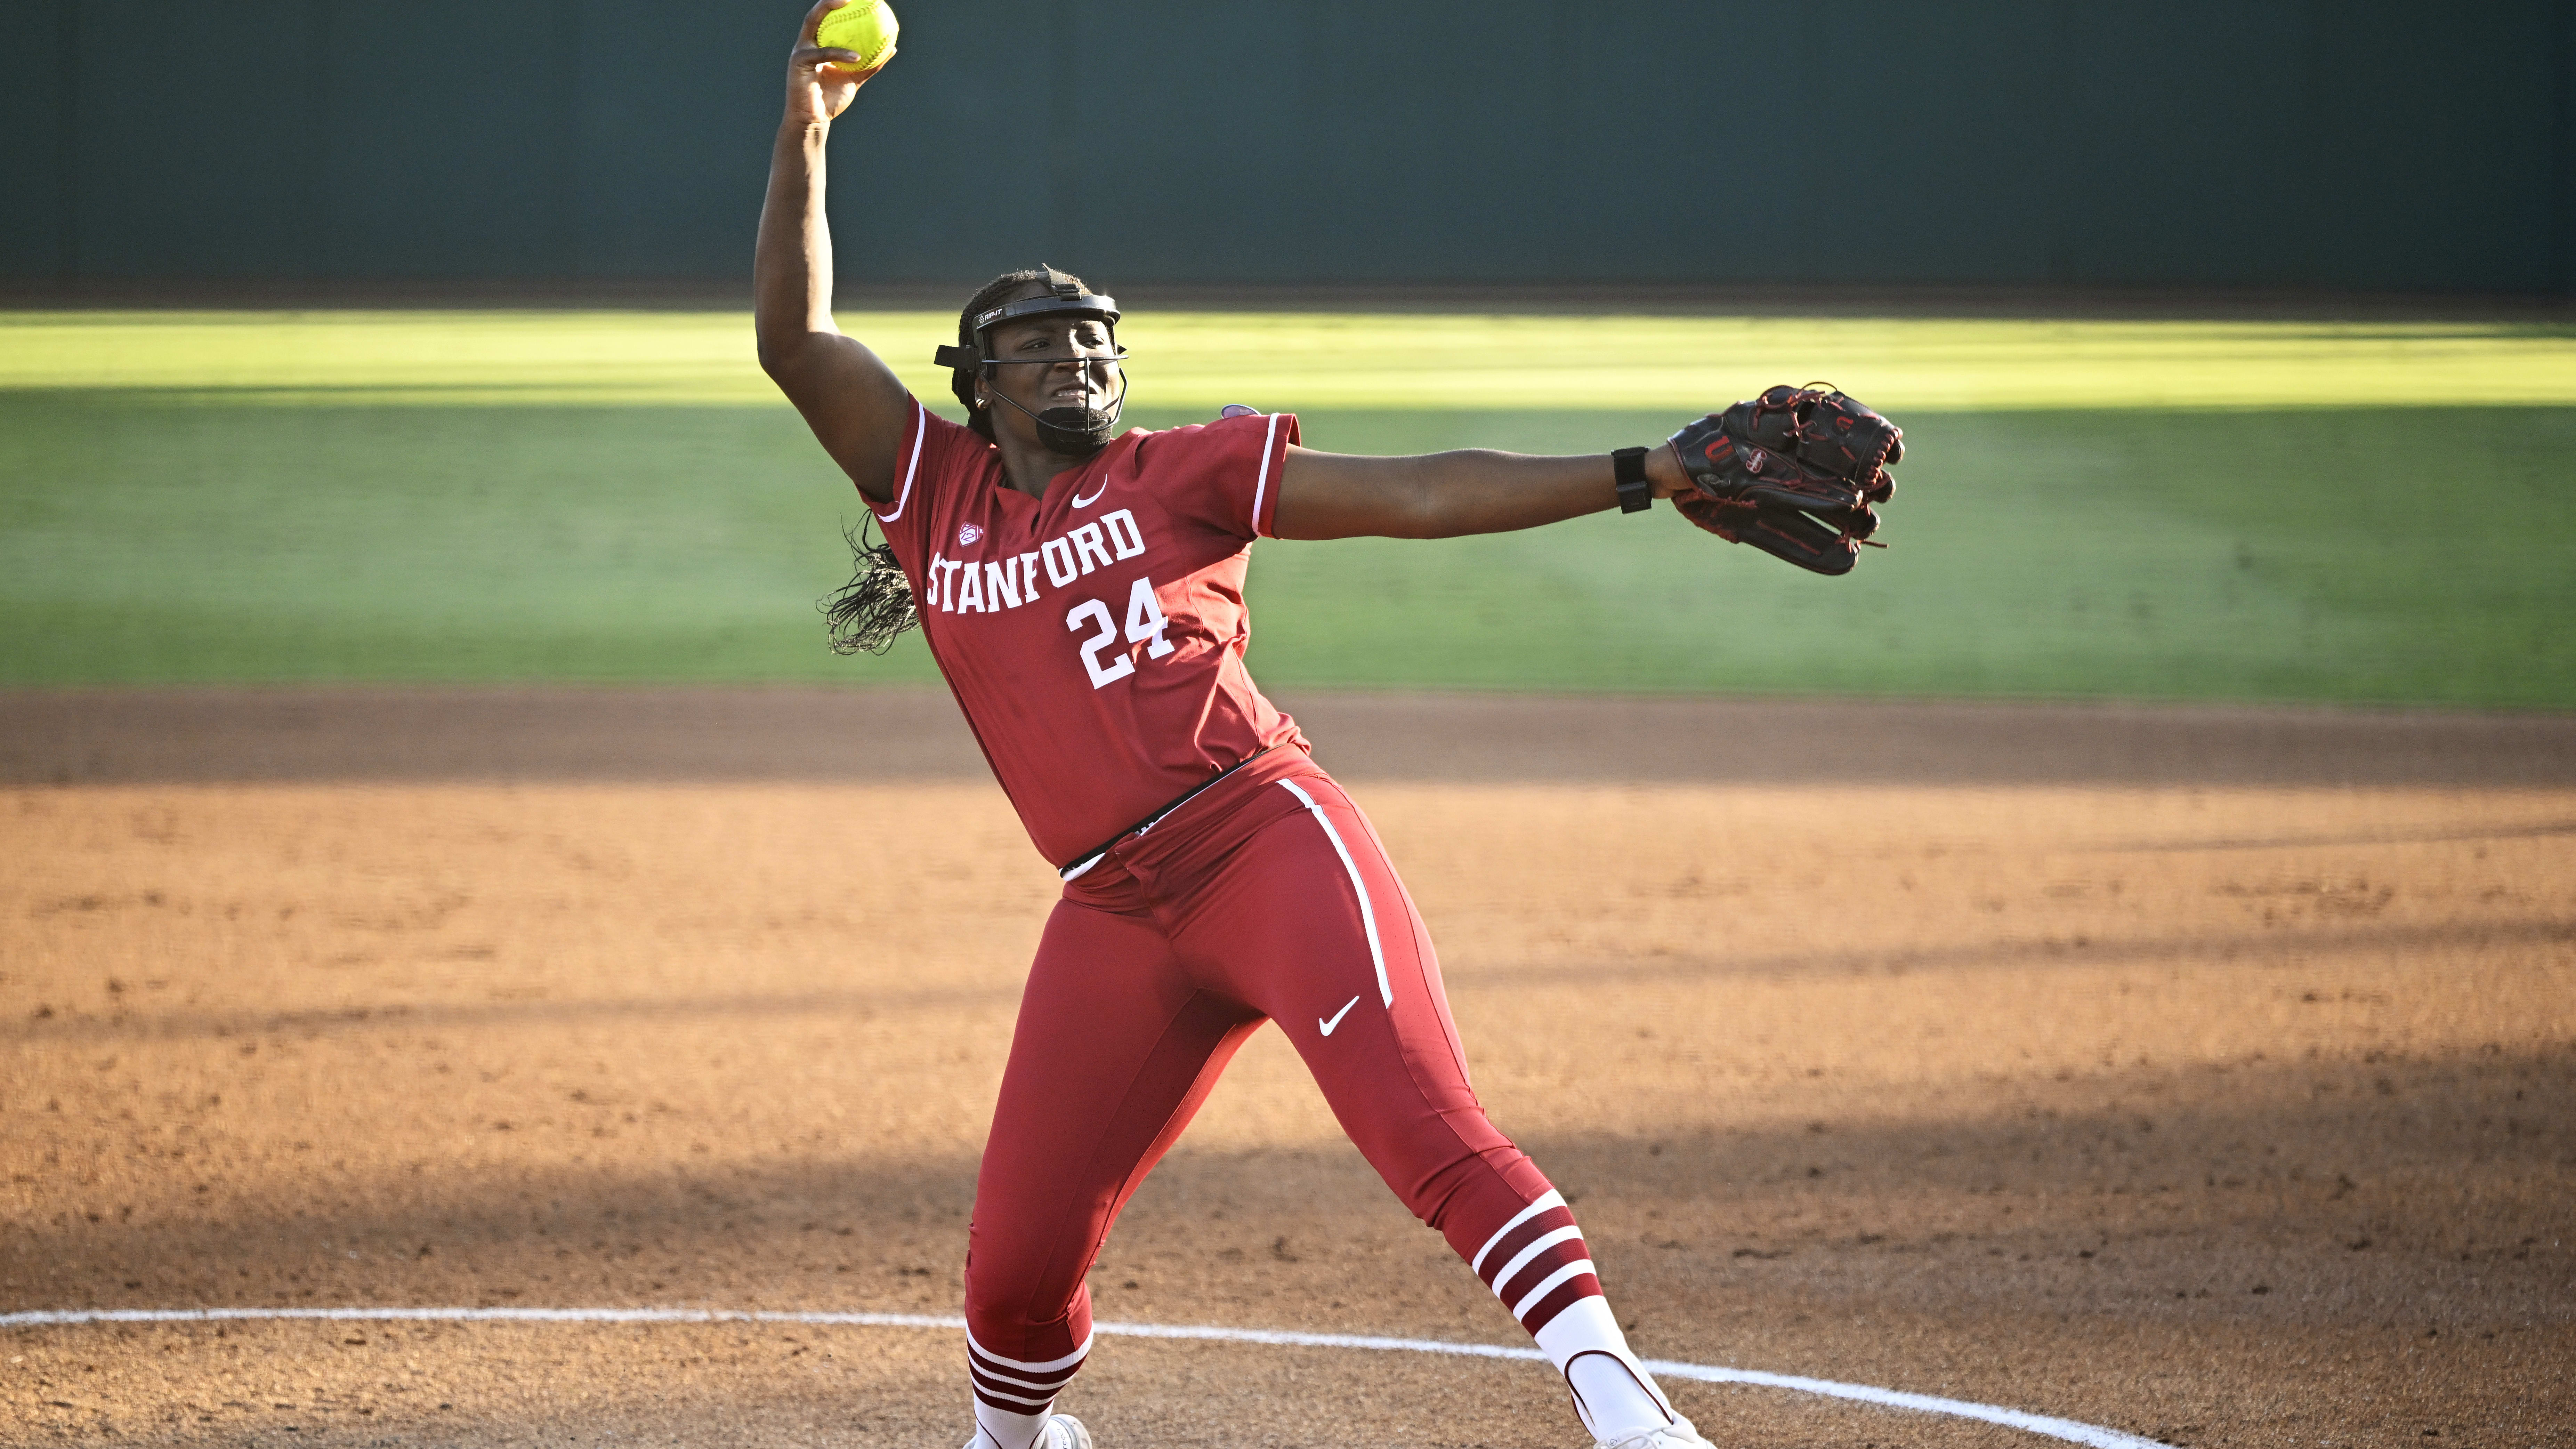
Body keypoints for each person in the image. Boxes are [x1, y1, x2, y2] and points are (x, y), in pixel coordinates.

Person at [754, 7, 1719, 1449]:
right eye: (1040, 346)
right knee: (1014, 1273)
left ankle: (1622, 1407)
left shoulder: (1181, 470)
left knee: (1420, 1126)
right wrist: (805, 133)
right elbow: (793, 334)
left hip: (1262, 840)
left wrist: (1643, 472)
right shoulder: (929, 487)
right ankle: (1016, 1442)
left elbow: (1413, 493)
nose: (1081, 361)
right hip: (1111, 910)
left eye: (1097, 341)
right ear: (976, 382)